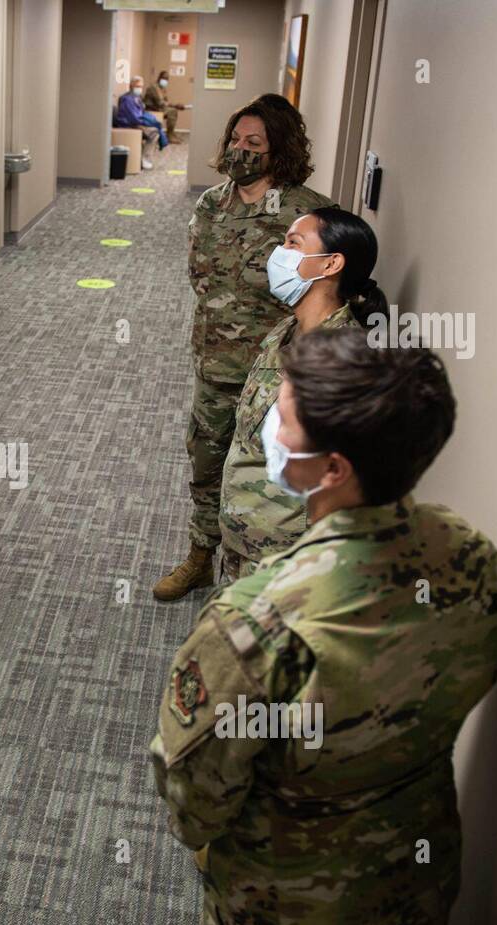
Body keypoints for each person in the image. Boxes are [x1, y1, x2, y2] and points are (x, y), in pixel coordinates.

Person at [149, 326, 497, 925]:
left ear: (333, 468)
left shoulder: (253, 625)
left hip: (286, 901)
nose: (269, 425)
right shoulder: (474, 558)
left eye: (284, 417)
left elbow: (195, 805)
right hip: (418, 878)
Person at [154, 94, 332, 601]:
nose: (240, 150)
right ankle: (200, 557)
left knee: (267, 479)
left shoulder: (309, 215)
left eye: (254, 142)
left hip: (277, 373)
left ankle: (261, 581)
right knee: (207, 464)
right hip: (214, 362)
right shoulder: (212, 204)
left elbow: (323, 295)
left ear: (280, 150)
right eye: (236, 139)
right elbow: (200, 278)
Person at [218, 207, 388, 582]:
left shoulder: (345, 360)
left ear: (330, 264)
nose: (280, 254)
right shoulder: (287, 329)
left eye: (293, 244)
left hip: (284, 554)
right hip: (246, 531)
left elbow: (340, 477)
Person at [114, 75, 166, 168]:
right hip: (127, 124)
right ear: (131, 86)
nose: (140, 89)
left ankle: (145, 158)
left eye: (141, 86)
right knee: (153, 132)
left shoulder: (136, 97)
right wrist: (147, 122)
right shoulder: (127, 99)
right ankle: (145, 159)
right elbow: (134, 118)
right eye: (137, 86)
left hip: (133, 123)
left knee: (155, 129)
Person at [142, 71, 185, 142]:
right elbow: (160, 103)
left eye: (167, 79)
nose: (165, 80)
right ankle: (169, 135)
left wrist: (175, 106)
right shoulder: (154, 87)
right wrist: (175, 106)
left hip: (158, 108)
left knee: (173, 110)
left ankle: (171, 133)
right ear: (159, 78)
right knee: (172, 111)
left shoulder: (162, 88)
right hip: (151, 110)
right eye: (164, 78)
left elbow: (166, 102)